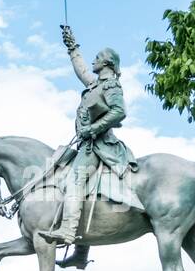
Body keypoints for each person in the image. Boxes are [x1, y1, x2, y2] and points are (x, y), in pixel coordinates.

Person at [39, 25, 140, 255]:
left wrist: (93, 129)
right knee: (81, 186)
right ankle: (80, 254)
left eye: (97, 58)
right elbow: (81, 69)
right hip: (87, 144)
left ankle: (67, 231)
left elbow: (119, 111)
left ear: (106, 64)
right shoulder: (95, 84)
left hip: (99, 146)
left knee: (75, 182)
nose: (93, 62)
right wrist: (72, 46)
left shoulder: (112, 85)